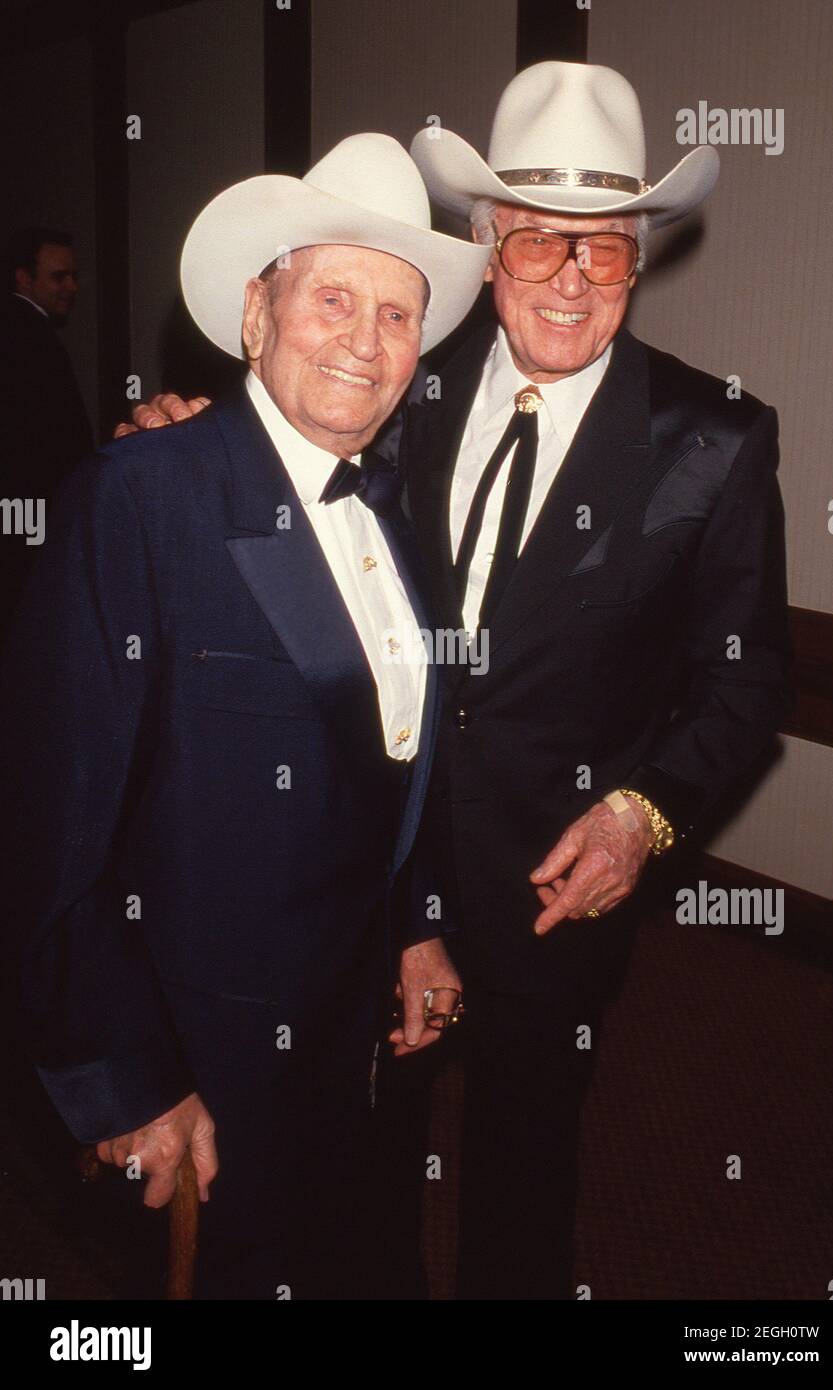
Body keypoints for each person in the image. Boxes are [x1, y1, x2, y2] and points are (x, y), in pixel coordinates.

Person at [117, 64, 791, 1301]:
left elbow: (743, 684)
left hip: (557, 884)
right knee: (362, 1145)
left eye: (603, 248)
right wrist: (188, 444)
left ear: (639, 259)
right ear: (487, 248)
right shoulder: (404, 380)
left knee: (525, 1171)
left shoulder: (716, 438)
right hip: (378, 865)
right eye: (540, 245)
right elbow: (293, 443)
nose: (572, 278)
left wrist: (642, 816)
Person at [0, 133, 489, 1300]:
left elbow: (391, 765)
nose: (364, 345)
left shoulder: (389, 509)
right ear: (256, 313)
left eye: (396, 315)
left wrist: (415, 922)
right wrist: (124, 1076)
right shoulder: (139, 496)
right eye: (333, 299)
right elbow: (47, 818)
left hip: (358, 1051)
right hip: (203, 1070)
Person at [0, 228, 93, 639]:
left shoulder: (22, 328)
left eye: (73, 276)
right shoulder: (28, 335)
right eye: (59, 277)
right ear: (24, 278)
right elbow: (50, 439)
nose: (71, 287)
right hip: (30, 504)